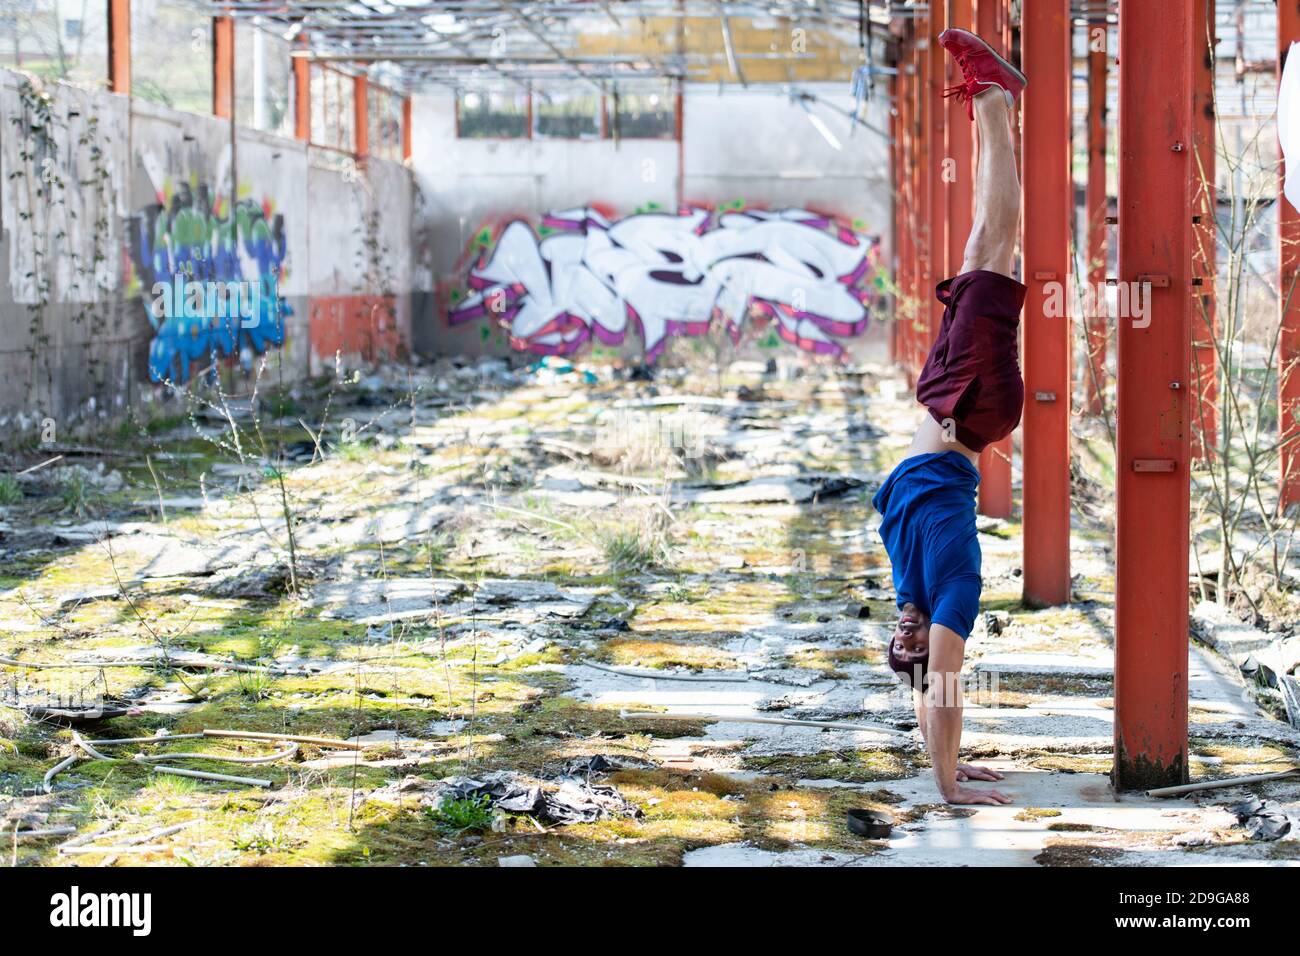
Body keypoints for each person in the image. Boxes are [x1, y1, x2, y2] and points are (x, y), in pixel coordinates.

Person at [871, 28, 1027, 806]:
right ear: (930, 642)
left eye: (894, 649)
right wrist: (946, 788)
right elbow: (946, 686)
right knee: (990, 249)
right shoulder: (955, 582)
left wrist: (949, 760)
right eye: (913, 649)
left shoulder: (909, 578)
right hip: (968, 405)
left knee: (984, 253)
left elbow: (928, 695)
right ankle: (995, 99)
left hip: (951, 399)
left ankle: (995, 105)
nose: (900, 642)